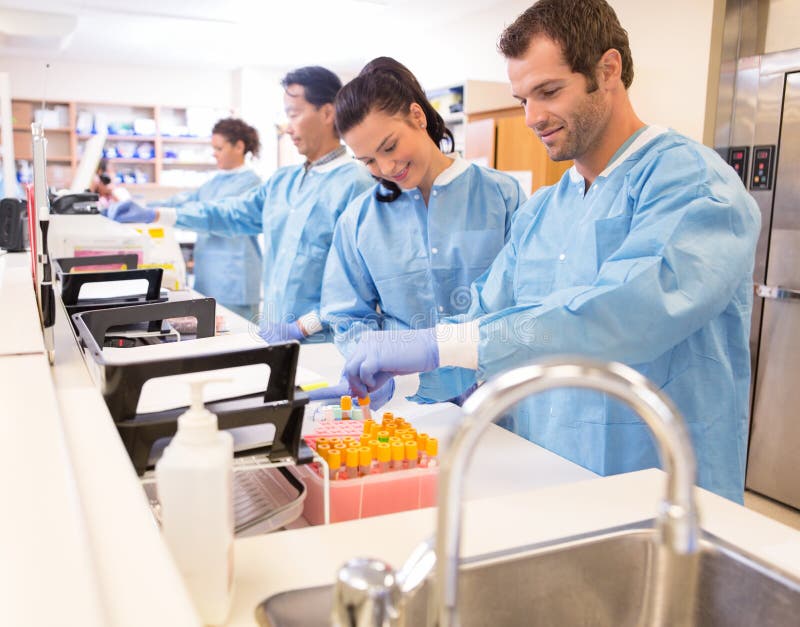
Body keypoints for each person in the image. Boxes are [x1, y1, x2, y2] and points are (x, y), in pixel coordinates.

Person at [341, 0, 761, 504]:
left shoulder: (693, 185)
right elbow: (487, 314)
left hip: (660, 487)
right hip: (547, 471)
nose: (532, 118)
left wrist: (439, 345)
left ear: (608, 70)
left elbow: (624, 313)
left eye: (549, 92)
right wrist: (410, 370)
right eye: (522, 99)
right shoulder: (544, 209)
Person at [319, 57, 525, 406]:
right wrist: (371, 363)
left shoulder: (502, 195)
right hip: (407, 401)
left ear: (417, 116)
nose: (385, 167)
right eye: (368, 161)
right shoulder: (359, 220)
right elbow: (346, 314)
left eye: (389, 147)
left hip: (499, 398)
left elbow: (524, 298)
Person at [108, 66, 374, 336]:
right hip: (278, 332)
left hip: (328, 341)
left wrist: (303, 327)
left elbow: (358, 285)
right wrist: (155, 215)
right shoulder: (284, 181)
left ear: (328, 113)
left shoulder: (357, 185)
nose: (287, 127)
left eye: (294, 114)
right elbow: (229, 213)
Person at [110, 119, 263, 319]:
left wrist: (154, 214)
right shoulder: (214, 182)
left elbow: (213, 214)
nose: (214, 153)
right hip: (208, 276)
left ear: (239, 146)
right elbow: (183, 202)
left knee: (240, 340)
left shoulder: (252, 184)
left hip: (235, 280)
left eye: (219, 148)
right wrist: (142, 207)